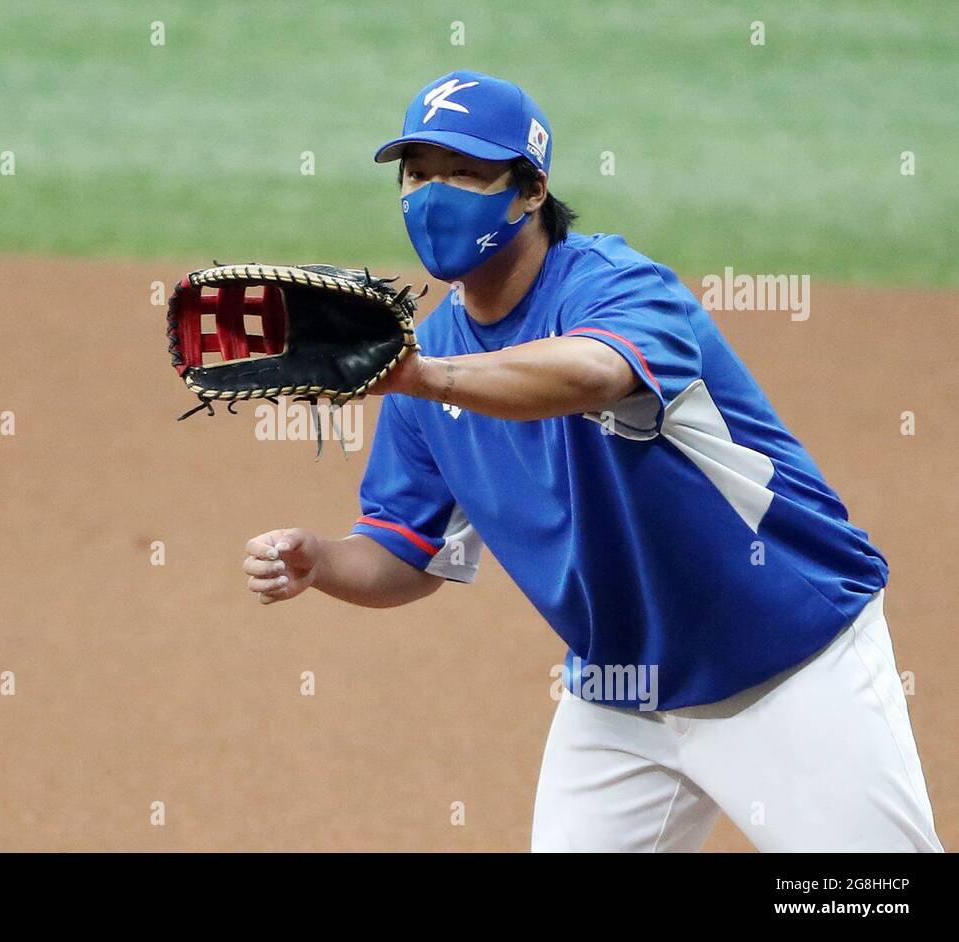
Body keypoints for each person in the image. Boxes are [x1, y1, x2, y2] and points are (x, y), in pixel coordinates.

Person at [240, 70, 943, 852]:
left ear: (531, 189)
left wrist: (421, 376)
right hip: (621, 697)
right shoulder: (424, 359)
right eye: (418, 174)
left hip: (787, 661)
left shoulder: (615, 287)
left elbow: (592, 374)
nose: (435, 195)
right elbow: (410, 551)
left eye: (466, 172)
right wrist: (320, 560)